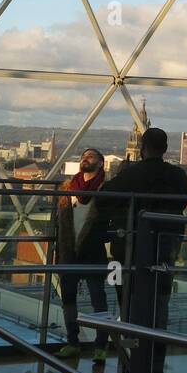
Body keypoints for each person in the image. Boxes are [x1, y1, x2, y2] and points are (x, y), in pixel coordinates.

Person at [98, 127, 187, 373]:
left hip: (131, 252)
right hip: (165, 250)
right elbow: (183, 201)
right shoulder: (177, 175)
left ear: (142, 146)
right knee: (158, 316)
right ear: (165, 147)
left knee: (130, 317)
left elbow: (105, 198)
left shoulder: (131, 174)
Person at [57, 149, 111, 361]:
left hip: (93, 251)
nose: (84, 158)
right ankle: (73, 341)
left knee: (98, 298)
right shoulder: (68, 189)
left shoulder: (106, 191)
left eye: (90, 156)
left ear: (101, 163)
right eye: (83, 156)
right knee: (69, 299)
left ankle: (101, 345)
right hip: (69, 252)